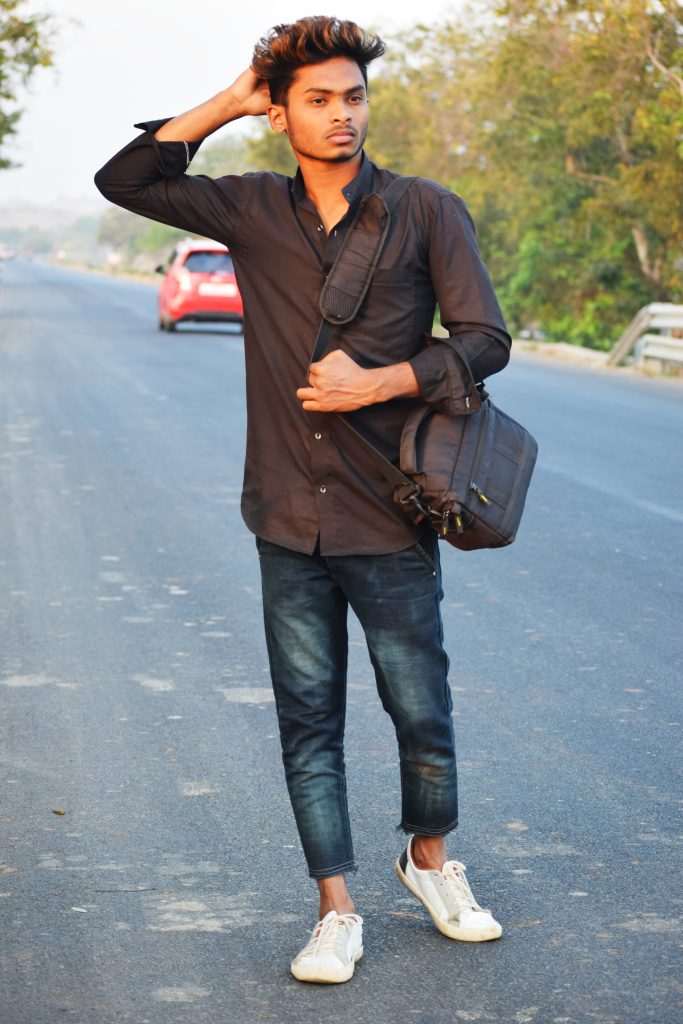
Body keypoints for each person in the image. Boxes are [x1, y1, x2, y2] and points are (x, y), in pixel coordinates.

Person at [95, 15, 511, 984]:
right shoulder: (245, 211)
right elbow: (125, 181)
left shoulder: (424, 211)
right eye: (316, 101)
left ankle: (429, 860)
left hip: (392, 509)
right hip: (285, 512)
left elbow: (484, 339)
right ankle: (334, 908)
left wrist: (381, 381)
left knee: (421, 705)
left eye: (352, 97)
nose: (341, 116)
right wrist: (231, 100)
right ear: (284, 116)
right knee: (306, 717)